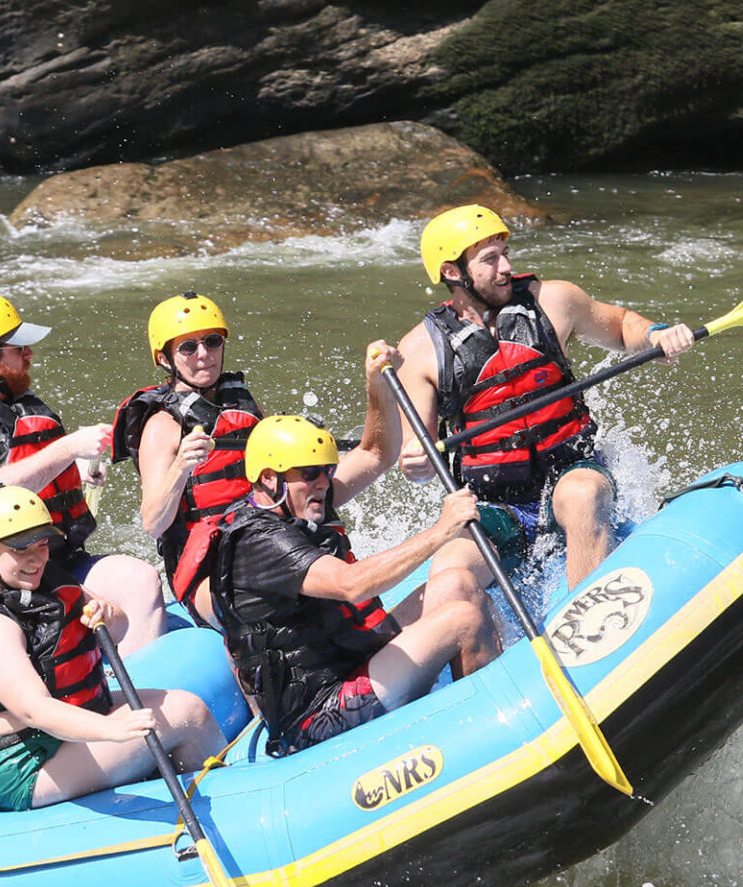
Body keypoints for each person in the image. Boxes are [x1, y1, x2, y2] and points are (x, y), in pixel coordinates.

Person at [391, 204, 697, 588]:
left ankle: (587, 618)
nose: (505, 267)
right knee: (454, 563)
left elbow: (620, 327)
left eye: (505, 254)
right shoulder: (419, 350)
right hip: (495, 502)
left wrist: (656, 334)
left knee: (582, 495)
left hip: (571, 470)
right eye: (489, 259)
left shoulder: (553, 301)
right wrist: (417, 462)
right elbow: (415, 457)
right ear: (453, 273)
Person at [0, 486, 225, 814]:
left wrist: (106, 614)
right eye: (20, 550)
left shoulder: (40, 580)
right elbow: (36, 710)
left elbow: (119, 629)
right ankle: (225, 811)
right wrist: (112, 730)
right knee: (186, 716)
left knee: (189, 706)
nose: (35, 559)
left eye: (42, 544)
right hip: (23, 763)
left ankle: (213, 794)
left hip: (67, 723)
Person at [202, 416, 499, 756]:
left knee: (458, 583)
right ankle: (486, 741)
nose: (324, 483)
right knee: (463, 621)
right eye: (310, 473)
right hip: (316, 713)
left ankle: (504, 690)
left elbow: (375, 452)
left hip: (352, 659)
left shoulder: (296, 503)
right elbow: (352, 585)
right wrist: (441, 531)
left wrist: (376, 376)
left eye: (327, 470)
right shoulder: (258, 541)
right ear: (270, 478)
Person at [0, 293, 168, 652]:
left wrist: (75, 468)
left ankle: (122, 689)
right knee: (93, 613)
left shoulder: (15, 403)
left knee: (140, 580)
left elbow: (25, 462)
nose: (29, 354)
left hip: (49, 561)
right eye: (17, 348)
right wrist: (67, 448)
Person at [111, 292, 263, 623]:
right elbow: (153, 523)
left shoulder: (242, 405)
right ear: (165, 359)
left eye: (211, 341)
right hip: (206, 571)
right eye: (188, 348)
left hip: (260, 540)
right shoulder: (162, 426)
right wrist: (181, 466)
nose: (204, 355)